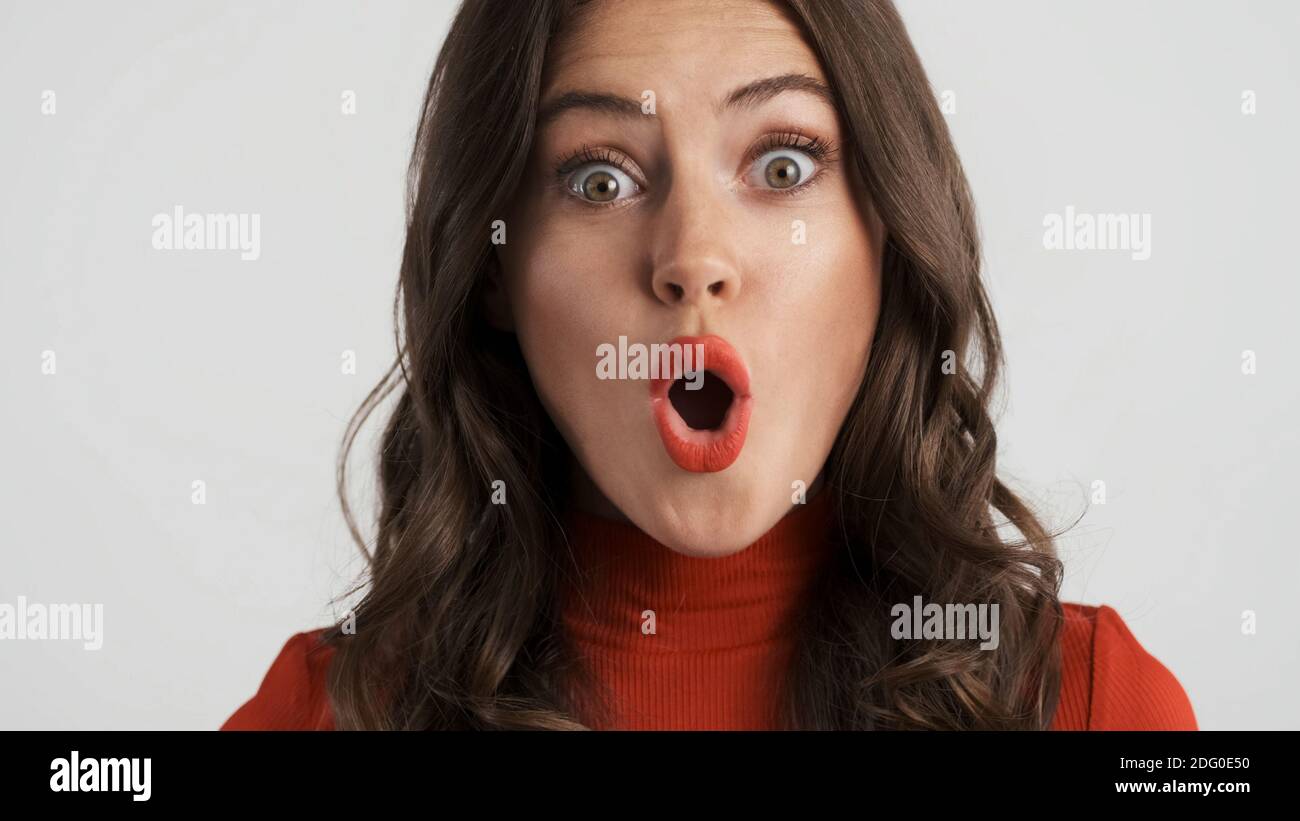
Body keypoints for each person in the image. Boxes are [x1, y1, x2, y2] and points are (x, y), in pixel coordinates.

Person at [222, 0, 1196, 731]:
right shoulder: (322, 713)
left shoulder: (1092, 703)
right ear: (493, 271)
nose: (692, 256)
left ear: (888, 235)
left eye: (781, 165)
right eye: (599, 177)